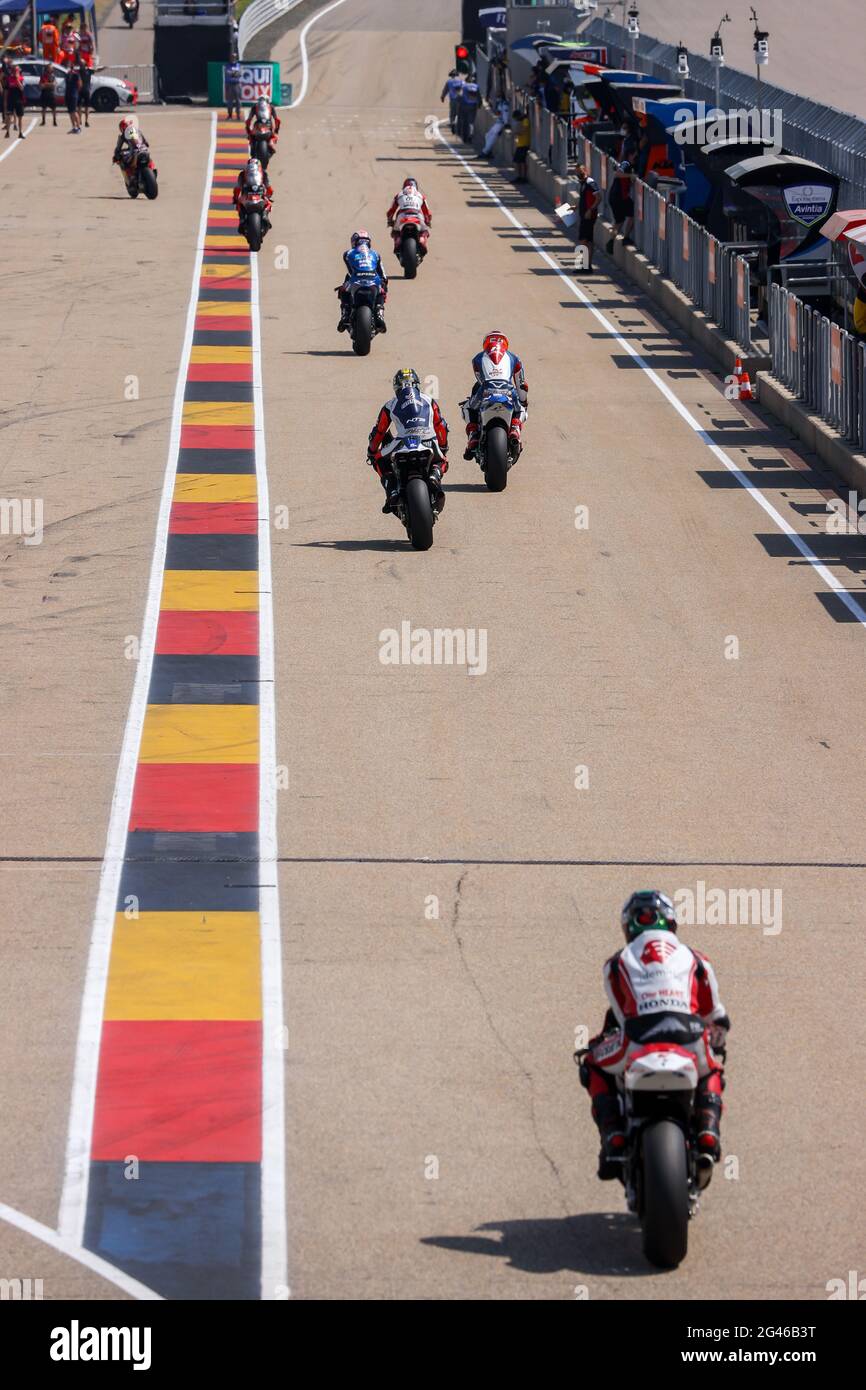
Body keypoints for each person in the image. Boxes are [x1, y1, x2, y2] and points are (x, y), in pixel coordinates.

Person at [578, 891, 730, 1181]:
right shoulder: (697, 958)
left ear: (627, 927)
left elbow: (621, 1017)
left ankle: (613, 1135)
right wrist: (717, 1041)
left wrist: (598, 1044)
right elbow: (716, 1016)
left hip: (638, 1037)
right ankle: (708, 1130)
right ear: (671, 922)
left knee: (592, 1063)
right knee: (712, 1068)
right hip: (690, 1036)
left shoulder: (616, 963)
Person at [367, 368, 449, 515]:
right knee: (442, 460)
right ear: (417, 383)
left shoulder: (390, 404)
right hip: (428, 441)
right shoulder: (429, 400)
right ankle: (434, 474)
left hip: (402, 443)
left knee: (378, 459)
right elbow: (440, 425)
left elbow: (379, 431)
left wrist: (372, 451)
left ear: (396, 387)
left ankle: (392, 491)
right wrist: (443, 446)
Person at [463, 330, 528, 460]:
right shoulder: (514, 357)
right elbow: (521, 384)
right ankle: (515, 428)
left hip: (486, 390)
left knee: (467, 408)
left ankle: (473, 435)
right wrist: (523, 401)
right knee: (521, 409)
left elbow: (480, 380)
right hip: (508, 390)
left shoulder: (477, 358)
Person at [336, 229, 388, 334]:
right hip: (373, 280)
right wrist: (384, 284)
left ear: (354, 242)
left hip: (356, 280)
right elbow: (383, 274)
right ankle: (379, 313)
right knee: (382, 291)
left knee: (343, 290)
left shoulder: (348, 253)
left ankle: (345, 315)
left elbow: (350, 272)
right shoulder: (376, 254)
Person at [606, 118, 639, 254]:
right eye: (634, 155)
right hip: (619, 196)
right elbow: (617, 174)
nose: (635, 157)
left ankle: (611, 240)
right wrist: (630, 176)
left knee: (619, 221)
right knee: (631, 214)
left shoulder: (629, 164)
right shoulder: (625, 164)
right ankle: (625, 238)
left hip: (617, 196)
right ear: (630, 155)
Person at [386, 176, 432, 259]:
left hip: (402, 216)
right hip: (417, 216)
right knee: (424, 231)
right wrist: (428, 221)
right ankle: (422, 239)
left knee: (395, 231)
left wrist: (390, 221)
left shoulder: (399, 195)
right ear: (416, 186)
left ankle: (398, 242)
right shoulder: (420, 195)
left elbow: (391, 211)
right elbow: (427, 212)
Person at [232, 156, 274, 237]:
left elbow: (237, 188)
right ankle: (265, 215)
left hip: (247, 197)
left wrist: (235, 198)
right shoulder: (263, 173)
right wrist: (269, 195)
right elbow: (269, 188)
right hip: (259, 196)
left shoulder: (242, 174)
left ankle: (242, 220)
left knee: (239, 204)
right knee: (268, 203)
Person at [575, 163, 599, 272]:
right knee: (588, 240)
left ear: (585, 170)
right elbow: (585, 199)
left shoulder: (590, 182)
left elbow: (598, 198)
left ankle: (584, 265)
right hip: (584, 215)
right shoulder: (582, 183)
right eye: (577, 171)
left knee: (583, 240)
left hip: (588, 216)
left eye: (580, 171)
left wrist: (590, 210)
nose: (578, 173)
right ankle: (587, 266)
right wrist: (575, 207)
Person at [113, 116, 150, 184]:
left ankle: (130, 180)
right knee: (148, 159)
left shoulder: (122, 135)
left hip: (134, 153)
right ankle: (152, 170)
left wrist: (116, 156)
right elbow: (147, 144)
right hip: (145, 150)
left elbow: (118, 149)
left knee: (123, 163)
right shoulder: (138, 131)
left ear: (122, 128)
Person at [245, 94, 280, 159]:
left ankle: (269, 144)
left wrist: (247, 128)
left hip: (259, 124)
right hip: (268, 124)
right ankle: (271, 144)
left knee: (250, 136)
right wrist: (277, 129)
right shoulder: (271, 107)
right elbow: (277, 120)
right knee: (274, 135)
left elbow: (249, 120)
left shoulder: (254, 107)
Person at [2, 58, 26, 140]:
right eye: (15, 70)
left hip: (19, 100)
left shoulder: (21, 79)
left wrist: (17, 80)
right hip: (11, 100)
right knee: (9, 116)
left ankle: (20, 132)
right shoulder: (9, 79)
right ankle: (7, 132)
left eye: (17, 71)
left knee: (20, 117)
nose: (16, 72)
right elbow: (7, 88)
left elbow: (22, 88)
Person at [481, 96, 509, 161]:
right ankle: (488, 151)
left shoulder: (504, 105)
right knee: (487, 135)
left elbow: (505, 115)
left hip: (501, 123)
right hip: (498, 122)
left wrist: (505, 125)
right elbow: (498, 113)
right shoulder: (500, 104)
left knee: (493, 137)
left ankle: (485, 152)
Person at [457, 72, 480, 143]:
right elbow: (479, 97)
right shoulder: (476, 86)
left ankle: (464, 137)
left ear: (466, 81)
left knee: (464, 121)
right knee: (471, 122)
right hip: (473, 106)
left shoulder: (464, 86)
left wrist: (459, 103)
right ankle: (470, 135)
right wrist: (479, 105)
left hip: (465, 106)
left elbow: (459, 95)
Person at [440, 68, 463, 134]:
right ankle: (459, 127)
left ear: (451, 75)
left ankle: (452, 123)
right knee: (460, 114)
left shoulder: (449, 82)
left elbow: (445, 90)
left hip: (452, 100)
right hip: (460, 100)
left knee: (452, 114)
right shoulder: (461, 81)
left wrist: (442, 97)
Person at [511, 106, 530, 184]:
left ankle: (523, 177)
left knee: (522, 161)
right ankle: (519, 176)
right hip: (520, 144)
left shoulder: (525, 120)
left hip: (524, 144)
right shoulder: (521, 121)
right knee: (517, 161)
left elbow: (524, 130)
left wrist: (517, 132)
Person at [65, 59, 82, 133]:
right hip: (68, 94)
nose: (68, 66)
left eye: (69, 65)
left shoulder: (76, 74)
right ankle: (73, 127)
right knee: (70, 112)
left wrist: (75, 91)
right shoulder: (67, 74)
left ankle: (78, 127)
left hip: (73, 95)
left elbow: (80, 84)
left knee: (74, 111)